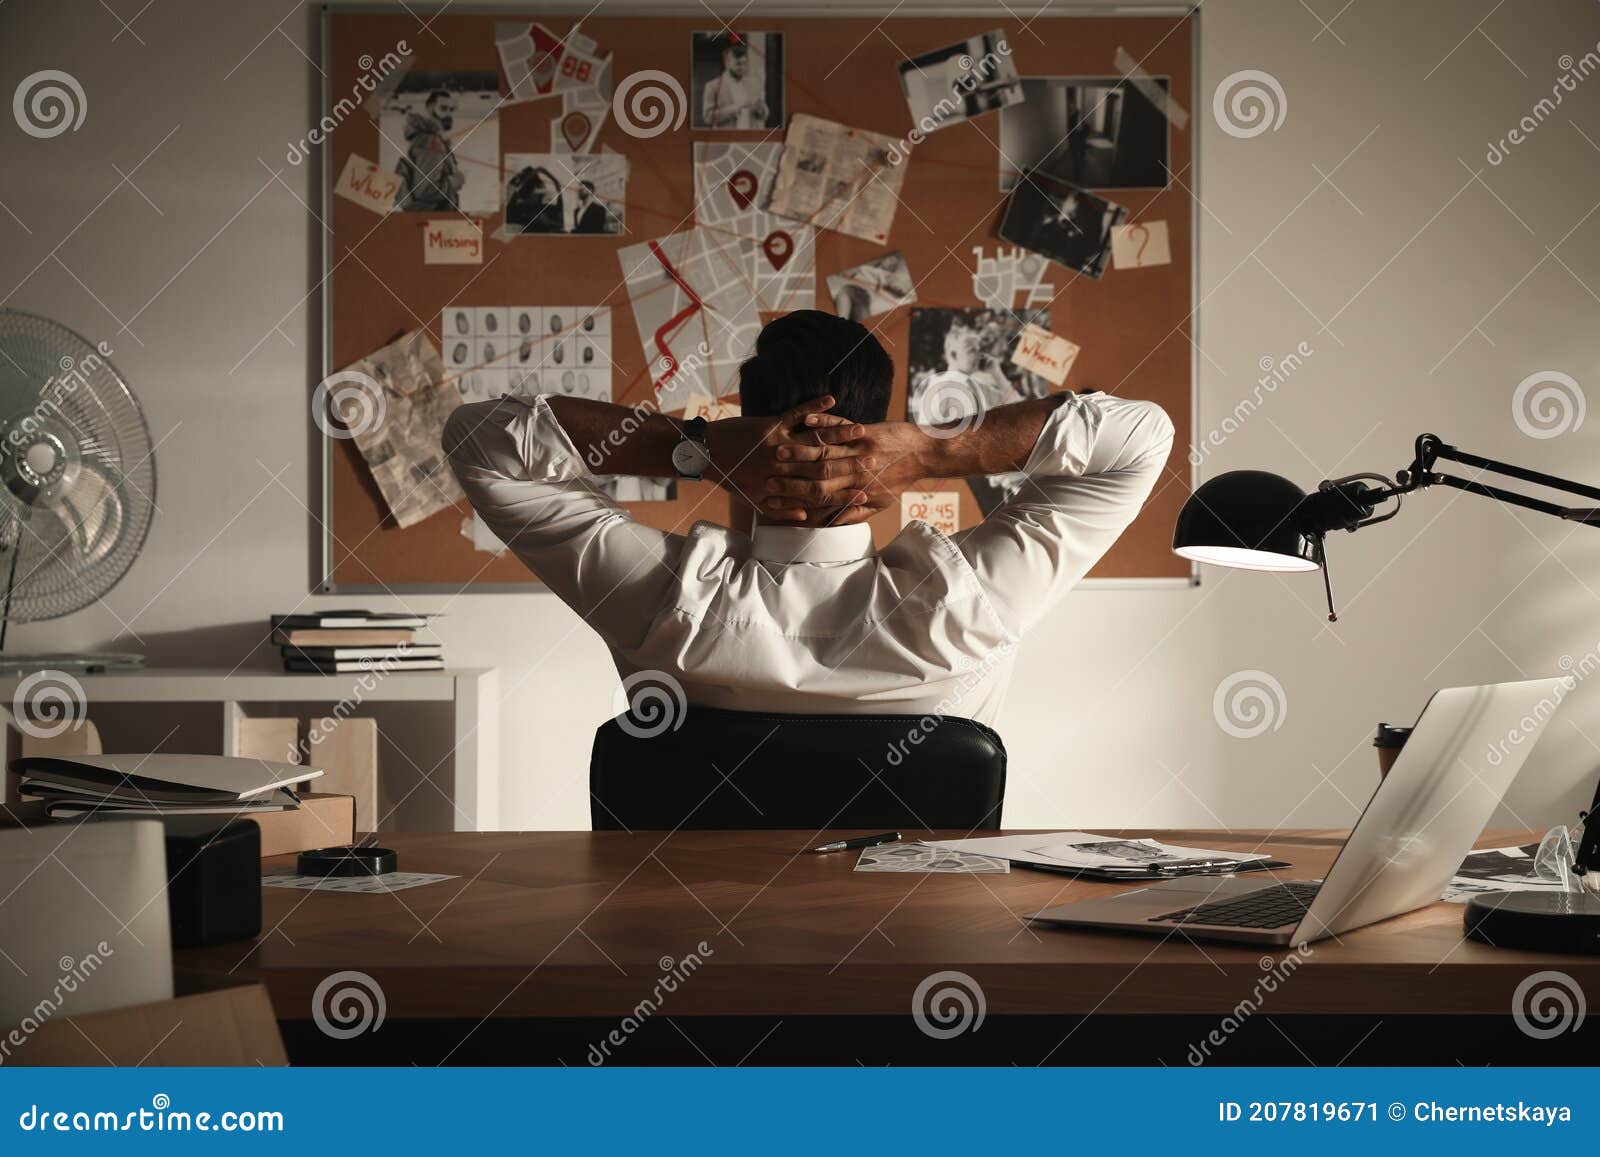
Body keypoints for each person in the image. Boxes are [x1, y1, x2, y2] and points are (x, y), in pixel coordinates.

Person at [443, 309, 1172, 721]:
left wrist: (693, 447)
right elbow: (1142, 439)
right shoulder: (969, 607)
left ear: (741, 428)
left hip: (687, 947)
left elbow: (477, 440)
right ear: (879, 425)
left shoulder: (663, 604)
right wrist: (928, 451)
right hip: (915, 954)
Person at [396, 90, 464, 212]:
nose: (448, 114)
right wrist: (454, 182)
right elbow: (426, 190)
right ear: (430, 108)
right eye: (443, 108)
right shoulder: (430, 142)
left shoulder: (430, 137)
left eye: (451, 109)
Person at [700, 36, 767, 129]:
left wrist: (760, 109)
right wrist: (735, 109)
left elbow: (764, 114)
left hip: (749, 140)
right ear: (727, 62)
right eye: (738, 64)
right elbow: (708, 117)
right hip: (726, 140)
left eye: (744, 63)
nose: (742, 68)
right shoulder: (713, 86)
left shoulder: (753, 84)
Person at [505, 166, 564, 233]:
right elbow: (540, 169)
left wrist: (555, 182)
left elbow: (540, 169)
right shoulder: (521, 203)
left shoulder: (531, 203)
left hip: (528, 212)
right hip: (524, 212)